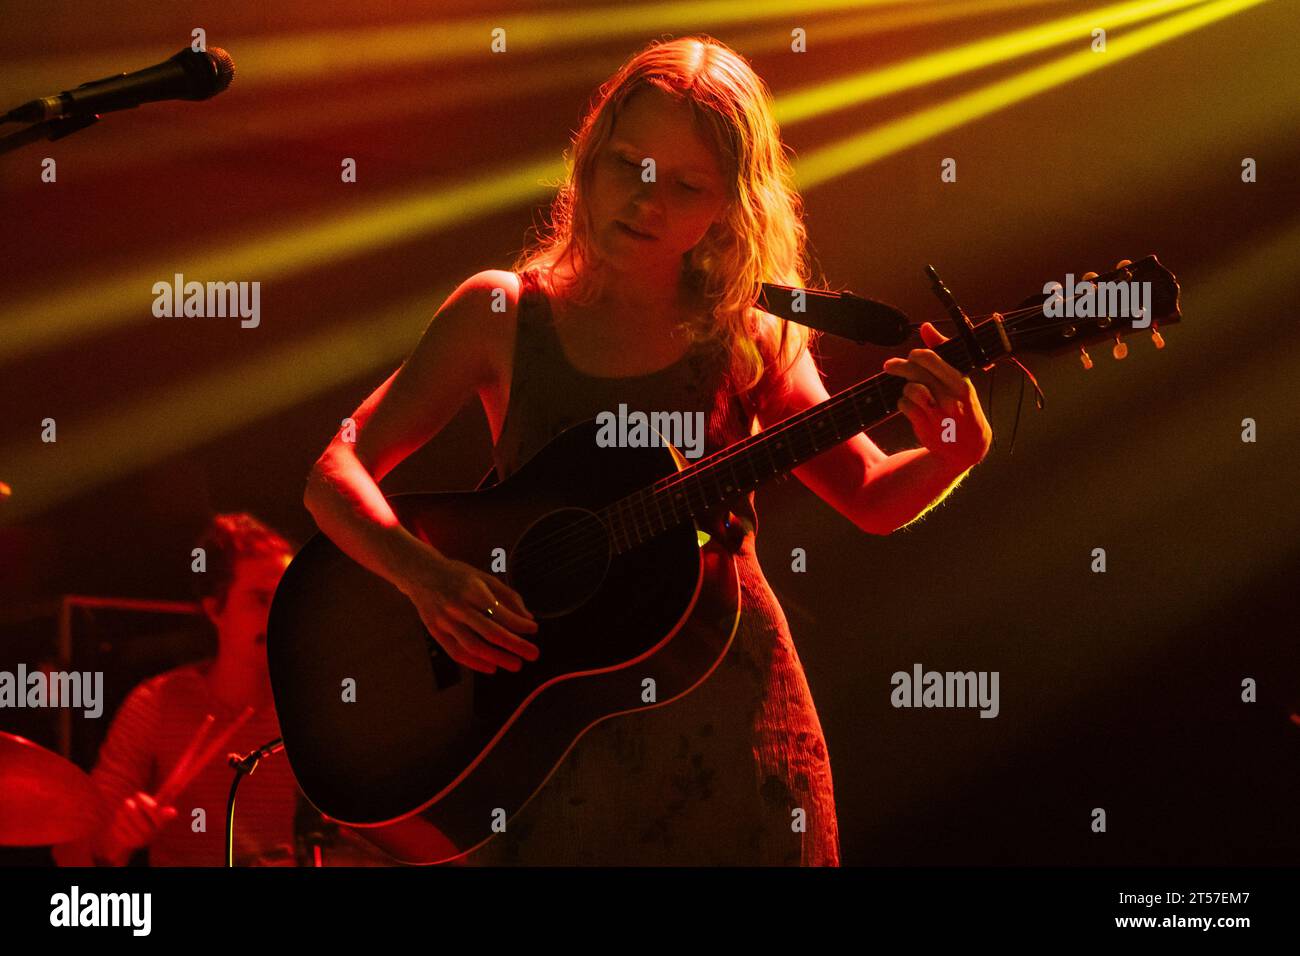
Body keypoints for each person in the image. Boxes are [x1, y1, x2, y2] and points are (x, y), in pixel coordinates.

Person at [302, 36, 992, 866]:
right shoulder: (501, 313)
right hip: (544, 727)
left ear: (730, 206)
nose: (644, 198)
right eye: (628, 163)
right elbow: (335, 472)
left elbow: (872, 495)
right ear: (590, 157)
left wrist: (955, 452)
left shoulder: (749, 331)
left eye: (686, 183)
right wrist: (425, 577)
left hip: (733, 712)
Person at [54, 513, 304, 866]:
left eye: (286, 599)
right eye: (261, 600)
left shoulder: (306, 710)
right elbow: (75, 852)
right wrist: (118, 835)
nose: (279, 615)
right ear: (215, 608)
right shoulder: (156, 704)